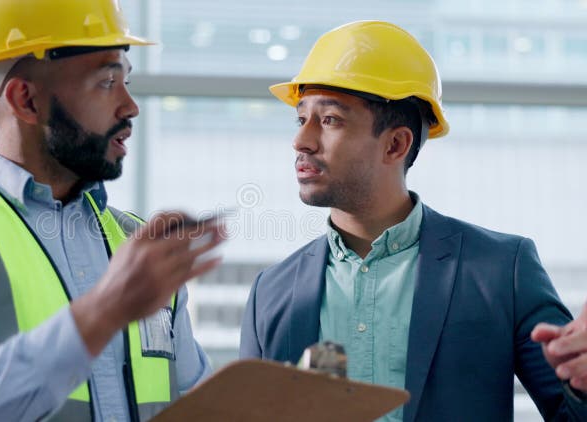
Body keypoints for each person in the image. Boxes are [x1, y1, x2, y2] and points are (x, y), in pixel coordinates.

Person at [0, 0, 224, 421]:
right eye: (106, 82)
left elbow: (198, 407)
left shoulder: (138, 248)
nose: (130, 106)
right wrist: (104, 312)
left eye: (126, 80)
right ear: (26, 100)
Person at [239, 20, 587, 421]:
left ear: (395, 144)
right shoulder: (271, 292)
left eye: (330, 119)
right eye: (301, 119)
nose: (302, 141)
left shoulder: (501, 271)